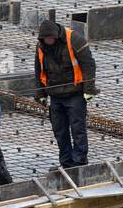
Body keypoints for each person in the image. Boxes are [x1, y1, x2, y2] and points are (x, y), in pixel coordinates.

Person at [33, 18, 98, 168]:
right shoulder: (41, 46)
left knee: (77, 129)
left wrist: (89, 89)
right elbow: (38, 71)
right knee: (59, 131)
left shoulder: (74, 39)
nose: (48, 41)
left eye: (50, 38)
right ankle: (67, 163)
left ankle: (79, 161)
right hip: (55, 95)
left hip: (75, 94)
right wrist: (41, 94)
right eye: (45, 39)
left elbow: (89, 64)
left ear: (56, 36)